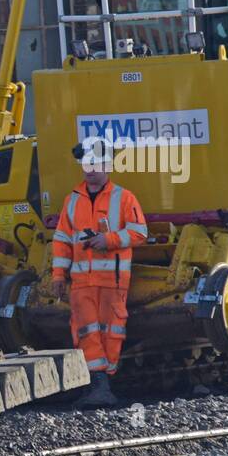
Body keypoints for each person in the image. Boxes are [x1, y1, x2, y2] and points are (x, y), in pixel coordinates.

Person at [50, 145, 148, 407]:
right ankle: (97, 383)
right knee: (85, 331)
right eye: (87, 164)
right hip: (82, 281)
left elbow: (140, 232)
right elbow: (61, 240)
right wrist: (58, 275)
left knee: (111, 333)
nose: (92, 170)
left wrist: (110, 239)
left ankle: (102, 383)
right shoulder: (71, 200)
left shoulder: (124, 198)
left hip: (112, 281)